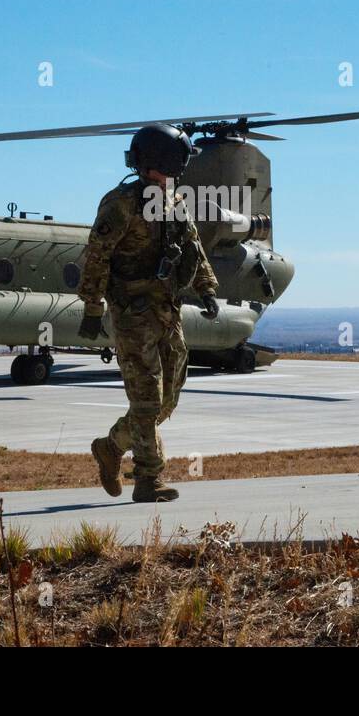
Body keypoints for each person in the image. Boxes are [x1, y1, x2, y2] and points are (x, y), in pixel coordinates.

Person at [76, 123, 220, 502]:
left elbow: (192, 245)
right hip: (131, 313)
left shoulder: (173, 201)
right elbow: (97, 255)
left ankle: (109, 447)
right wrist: (93, 307)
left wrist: (206, 289)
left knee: (168, 400)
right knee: (147, 402)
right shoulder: (119, 203)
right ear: (163, 160)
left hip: (167, 310)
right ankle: (148, 479)